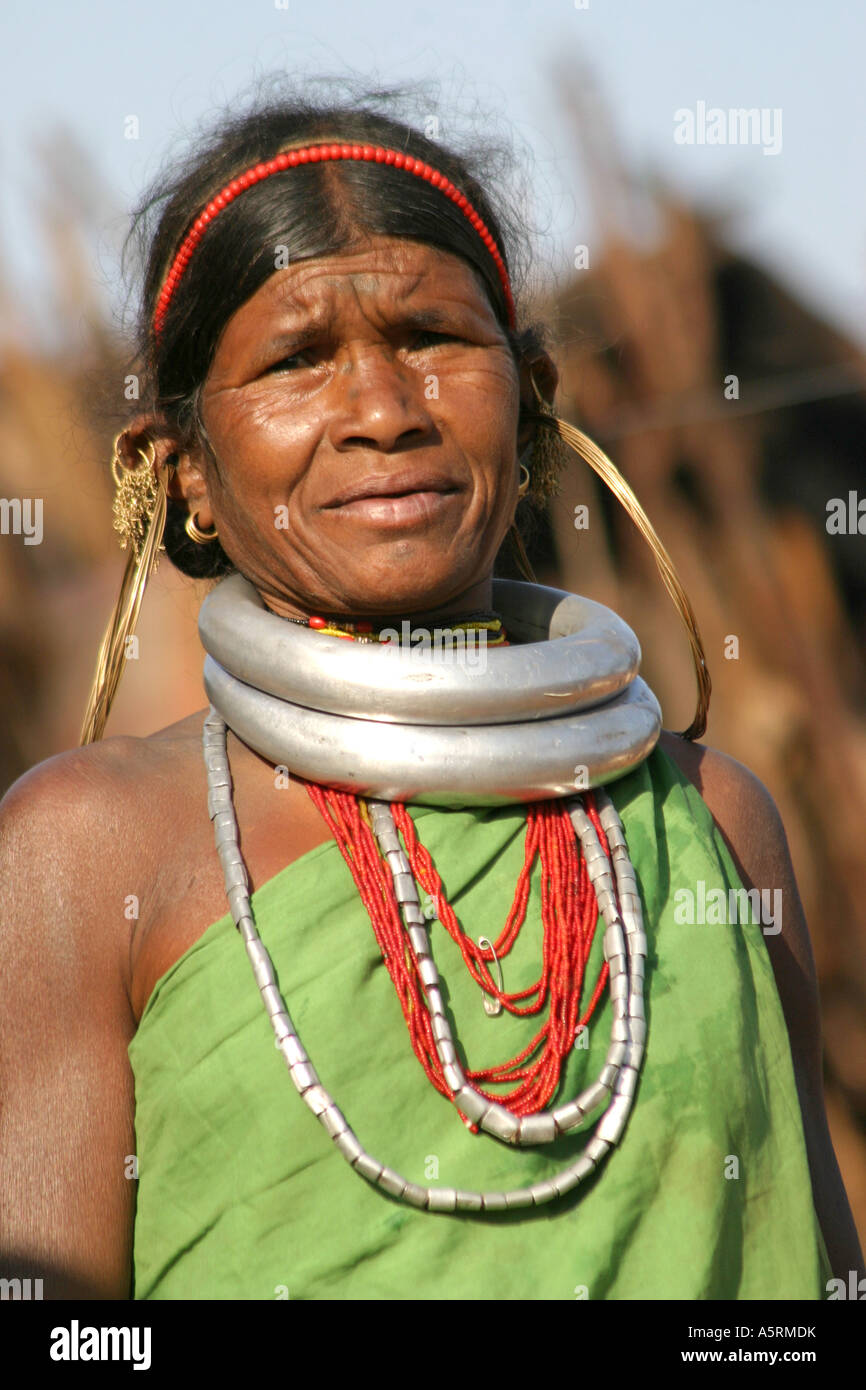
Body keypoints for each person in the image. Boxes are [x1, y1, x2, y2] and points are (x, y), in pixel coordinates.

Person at [0, 87, 862, 1302]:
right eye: (296, 360)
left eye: (434, 341)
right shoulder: (88, 852)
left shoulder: (711, 818)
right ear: (182, 466)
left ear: (532, 400)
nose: (384, 412)